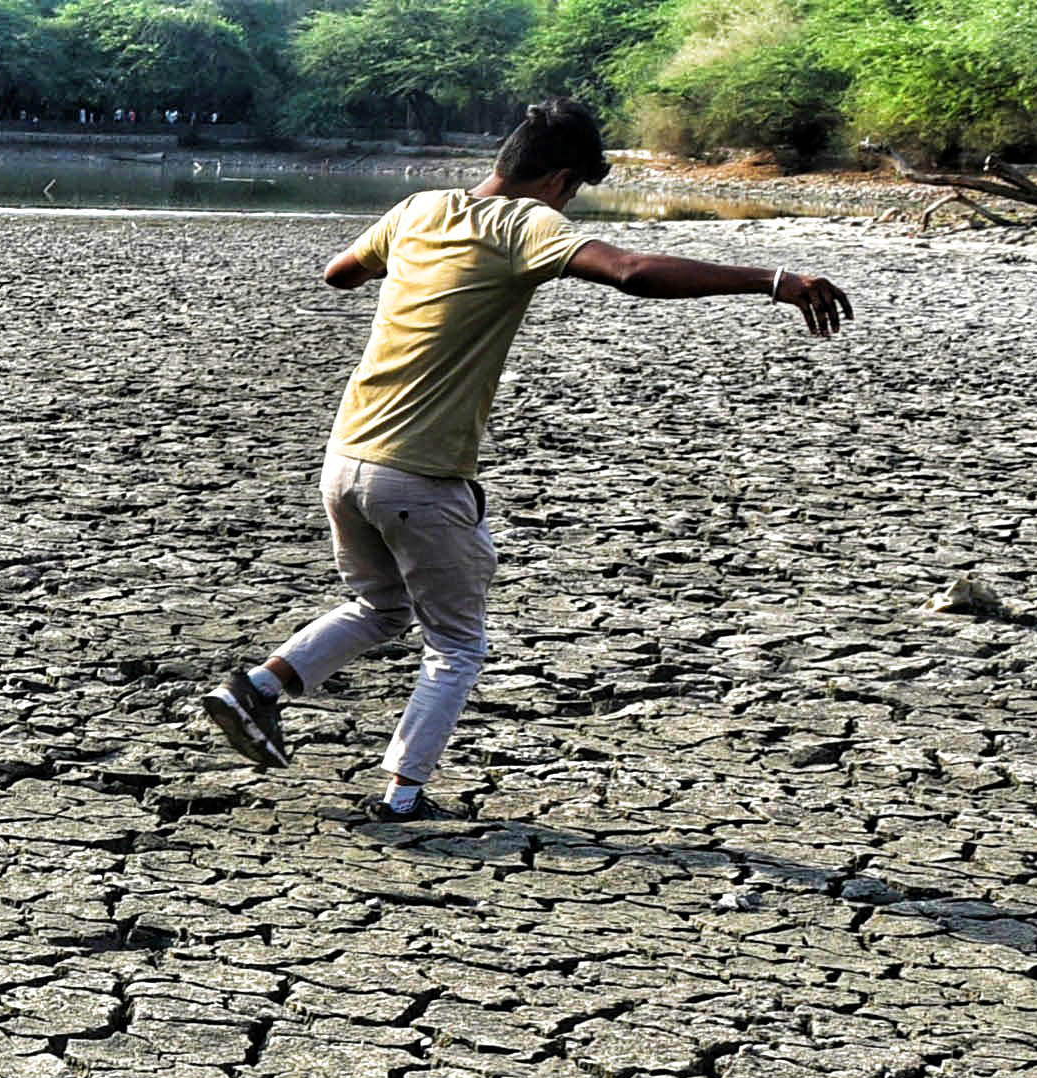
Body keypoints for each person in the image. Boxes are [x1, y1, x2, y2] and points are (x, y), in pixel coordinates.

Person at [198, 97, 853, 822]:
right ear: (557, 180)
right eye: (572, 192)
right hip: (419, 472)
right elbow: (630, 270)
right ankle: (403, 796)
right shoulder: (528, 223)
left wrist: (417, 277)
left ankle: (256, 690)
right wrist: (772, 280)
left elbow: (338, 273)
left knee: (379, 607)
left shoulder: (417, 209)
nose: (567, 203)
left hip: (346, 460)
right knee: (455, 643)